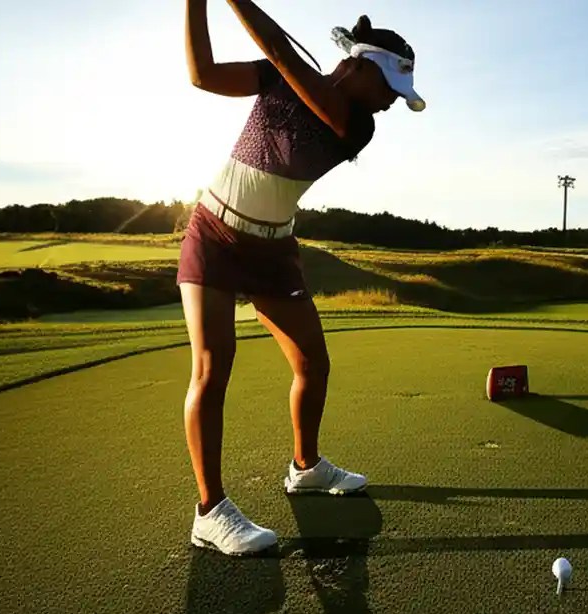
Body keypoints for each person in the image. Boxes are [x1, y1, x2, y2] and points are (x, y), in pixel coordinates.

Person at [179, 0, 425, 555]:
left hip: (273, 250)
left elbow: (284, 57)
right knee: (213, 366)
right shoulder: (279, 77)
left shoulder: (356, 125)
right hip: (215, 232)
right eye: (388, 86)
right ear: (360, 67)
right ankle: (210, 510)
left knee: (313, 362)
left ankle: (306, 466)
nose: (390, 103)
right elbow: (202, 75)